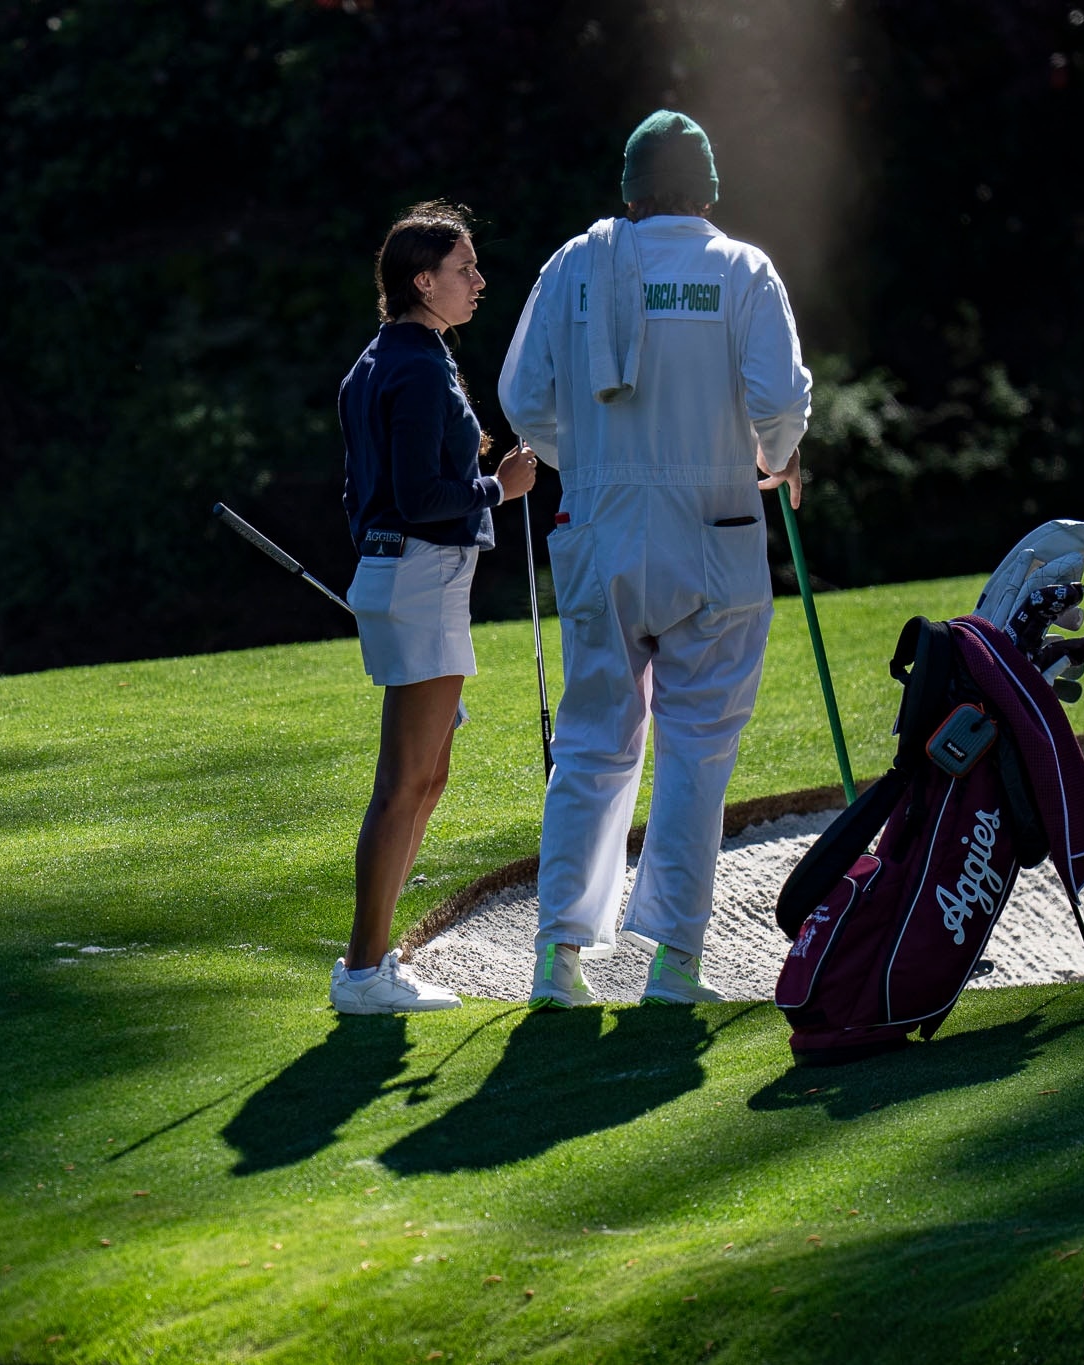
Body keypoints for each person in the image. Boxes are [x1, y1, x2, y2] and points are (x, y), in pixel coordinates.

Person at [496, 111, 812, 1008]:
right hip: (711, 527)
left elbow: (524, 398)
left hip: (597, 526)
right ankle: (675, 963)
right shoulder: (740, 269)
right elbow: (779, 396)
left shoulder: (572, 266)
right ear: (707, 188)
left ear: (627, 190)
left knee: (594, 742)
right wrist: (778, 455)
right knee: (697, 748)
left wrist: (588, 460)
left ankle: (557, 956)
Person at [330, 201, 541, 1016]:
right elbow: (420, 496)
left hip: (409, 577)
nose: (479, 282)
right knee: (405, 781)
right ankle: (363, 972)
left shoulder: (387, 359)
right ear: (423, 281)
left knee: (428, 775)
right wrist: (502, 487)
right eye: (464, 270)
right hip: (420, 576)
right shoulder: (417, 367)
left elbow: (364, 494)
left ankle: (374, 964)